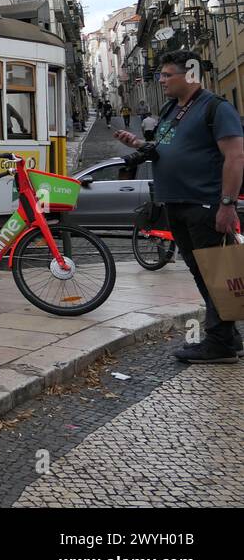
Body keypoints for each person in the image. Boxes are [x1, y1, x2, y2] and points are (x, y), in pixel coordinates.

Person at [115, 50, 244, 363]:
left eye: (166, 75)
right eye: (160, 75)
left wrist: (226, 205)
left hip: (204, 204)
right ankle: (228, 336)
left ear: (189, 75)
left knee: (215, 273)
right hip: (176, 203)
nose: (161, 81)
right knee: (203, 273)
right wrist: (137, 145)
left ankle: (219, 344)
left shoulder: (216, 107)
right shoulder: (173, 108)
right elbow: (163, 148)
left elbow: (235, 157)